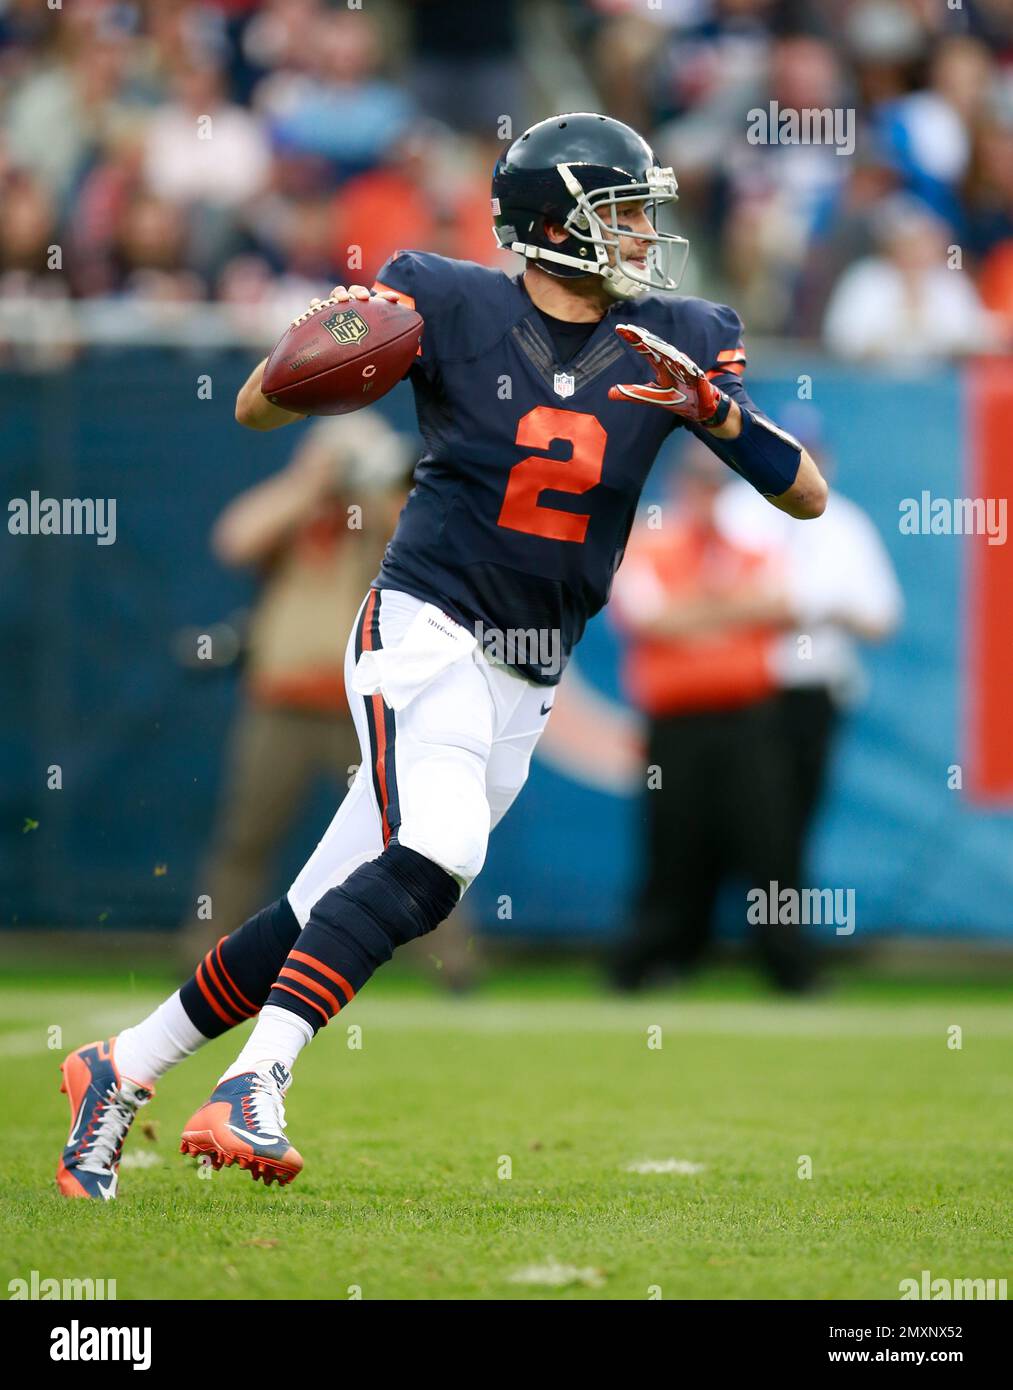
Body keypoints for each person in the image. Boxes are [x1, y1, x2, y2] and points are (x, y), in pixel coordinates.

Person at [56, 112, 827, 1198]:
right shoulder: (447, 297)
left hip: (530, 669)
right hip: (423, 624)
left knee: (321, 904)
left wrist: (721, 416)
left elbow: (805, 494)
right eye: (622, 212)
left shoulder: (685, 335)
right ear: (559, 225)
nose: (646, 234)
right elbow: (252, 410)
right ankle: (253, 1081)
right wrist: (311, 354)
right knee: (444, 848)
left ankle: (118, 1065)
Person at [608, 444, 812, 992]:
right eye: (700, 483)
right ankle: (653, 961)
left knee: (769, 841)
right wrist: (730, 609)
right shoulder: (650, 545)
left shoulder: (752, 543)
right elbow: (652, 619)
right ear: (680, 486)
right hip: (677, 726)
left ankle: (788, 967)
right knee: (674, 843)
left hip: (748, 718)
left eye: (717, 485)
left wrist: (697, 612)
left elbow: (785, 603)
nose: (708, 496)